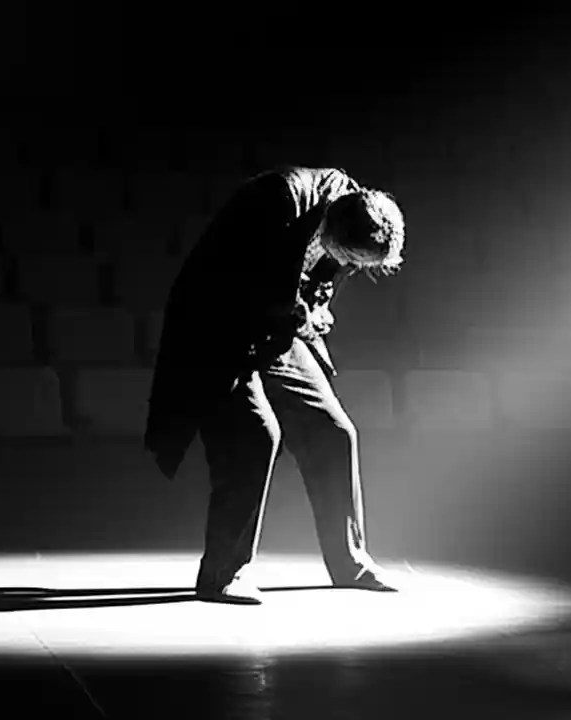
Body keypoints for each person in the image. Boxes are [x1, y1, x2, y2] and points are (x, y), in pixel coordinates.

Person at [145, 166, 405, 604]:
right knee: (255, 435)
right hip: (217, 327)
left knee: (334, 432)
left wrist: (312, 309)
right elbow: (244, 285)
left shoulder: (351, 212)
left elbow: (311, 284)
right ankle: (224, 574)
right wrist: (306, 315)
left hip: (275, 329)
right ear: (331, 229)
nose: (349, 269)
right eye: (350, 260)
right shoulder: (277, 202)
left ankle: (350, 562)